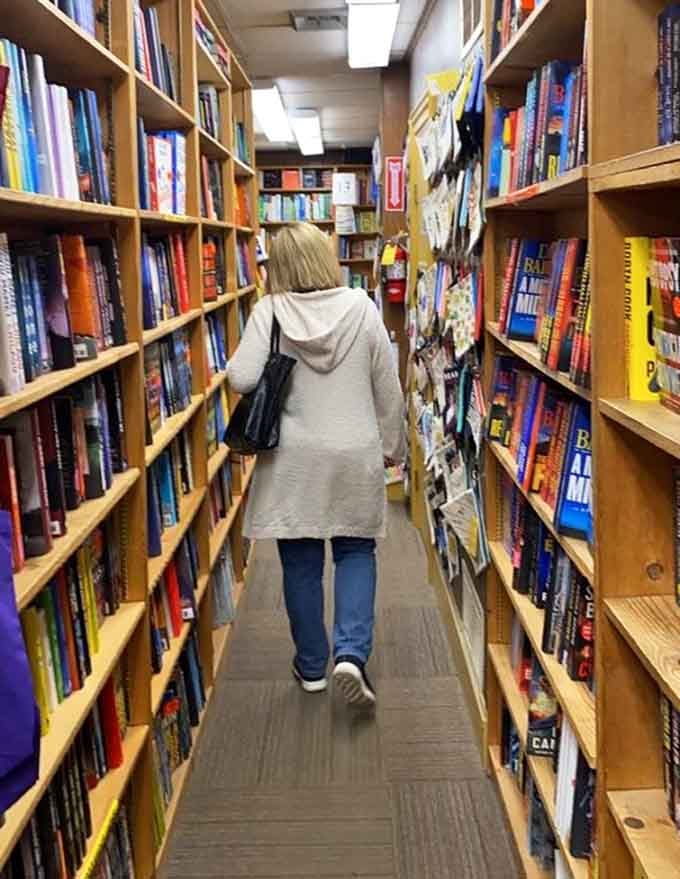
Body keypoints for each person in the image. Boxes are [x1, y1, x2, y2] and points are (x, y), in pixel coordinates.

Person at [226, 222, 404, 708]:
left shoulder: (270, 311)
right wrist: (394, 446)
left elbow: (241, 377)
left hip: (294, 461)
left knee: (301, 563)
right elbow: (387, 386)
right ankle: (351, 655)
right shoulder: (361, 307)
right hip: (354, 453)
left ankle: (311, 667)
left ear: (279, 267)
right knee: (355, 551)